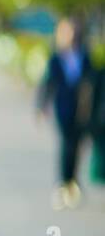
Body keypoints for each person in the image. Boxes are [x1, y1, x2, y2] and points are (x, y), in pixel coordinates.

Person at [37, 16, 99, 209]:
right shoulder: (56, 58)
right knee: (66, 145)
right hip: (62, 109)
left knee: (77, 147)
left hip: (83, 111)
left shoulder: (85, 55)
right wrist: (41, 106)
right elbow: (47, 84)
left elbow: (93, 82)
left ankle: (72, 183)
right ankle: (63, 183)